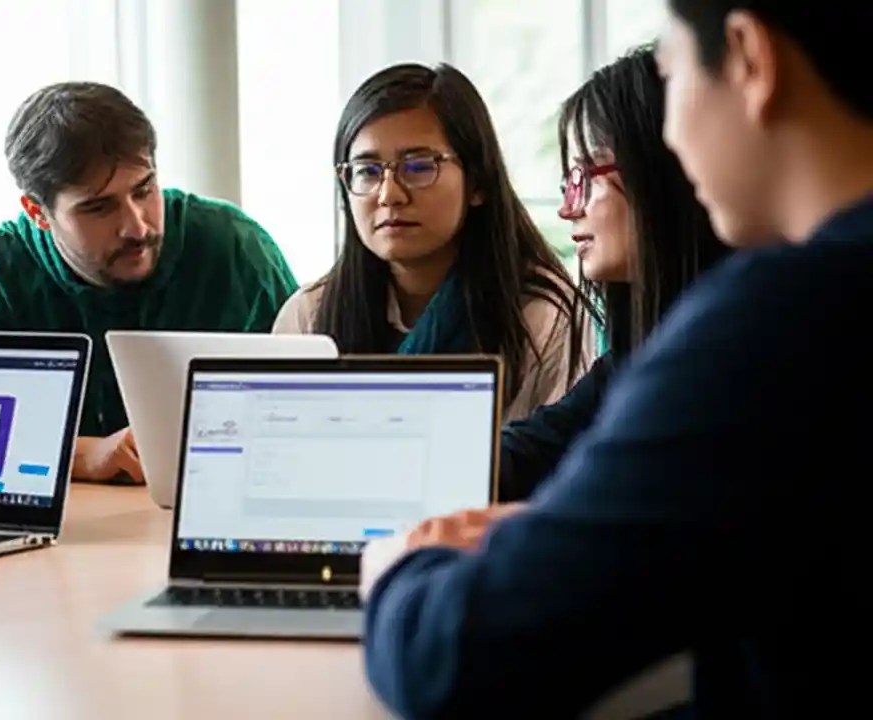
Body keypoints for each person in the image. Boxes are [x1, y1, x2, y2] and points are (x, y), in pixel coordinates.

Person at [359, 1, 871, 716]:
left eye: (674, 75)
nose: (672, 132)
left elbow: (455, 659)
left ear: (749, 59)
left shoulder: (788, 318)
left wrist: (399, 570)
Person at [0, 82, 298, 484]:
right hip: (76, 530)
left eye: (144, 190)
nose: (137, 226)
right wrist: (85, 454)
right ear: (37, 212)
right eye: (98, 207)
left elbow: (307, 406)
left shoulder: (235, 247)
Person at [272, 63, 593, 421]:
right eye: (367, 171)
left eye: (419, 166)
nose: (389, 194)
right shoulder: (309, 317)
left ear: (477, 183)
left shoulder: (539, 315)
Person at [497, 45, 730, 501]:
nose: (568, 208)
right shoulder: (638, 350)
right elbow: (538, 448)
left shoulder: (722, 347)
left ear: (660, 173)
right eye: (568, 183)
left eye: (586, 176)